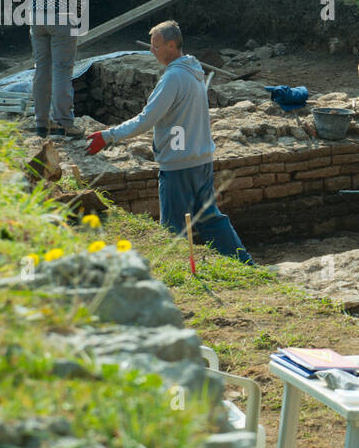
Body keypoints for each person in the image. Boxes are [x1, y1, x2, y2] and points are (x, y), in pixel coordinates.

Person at [88, 20, 253, 265]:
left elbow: (147, 119)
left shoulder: (173, 78)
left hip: (179, 166)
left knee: (173, 227)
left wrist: (108, 135)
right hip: (201, 160)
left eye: (156, 46)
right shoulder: (193, 70)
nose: (152, 51)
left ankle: (175, 270)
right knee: (209, 218)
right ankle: (244, 262)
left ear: (172, 45)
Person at [15, 0, 87, 138]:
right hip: (61, 16)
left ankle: (41, 122)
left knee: (41, 69)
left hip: (36, 17)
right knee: (62, 70)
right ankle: (64, 123)